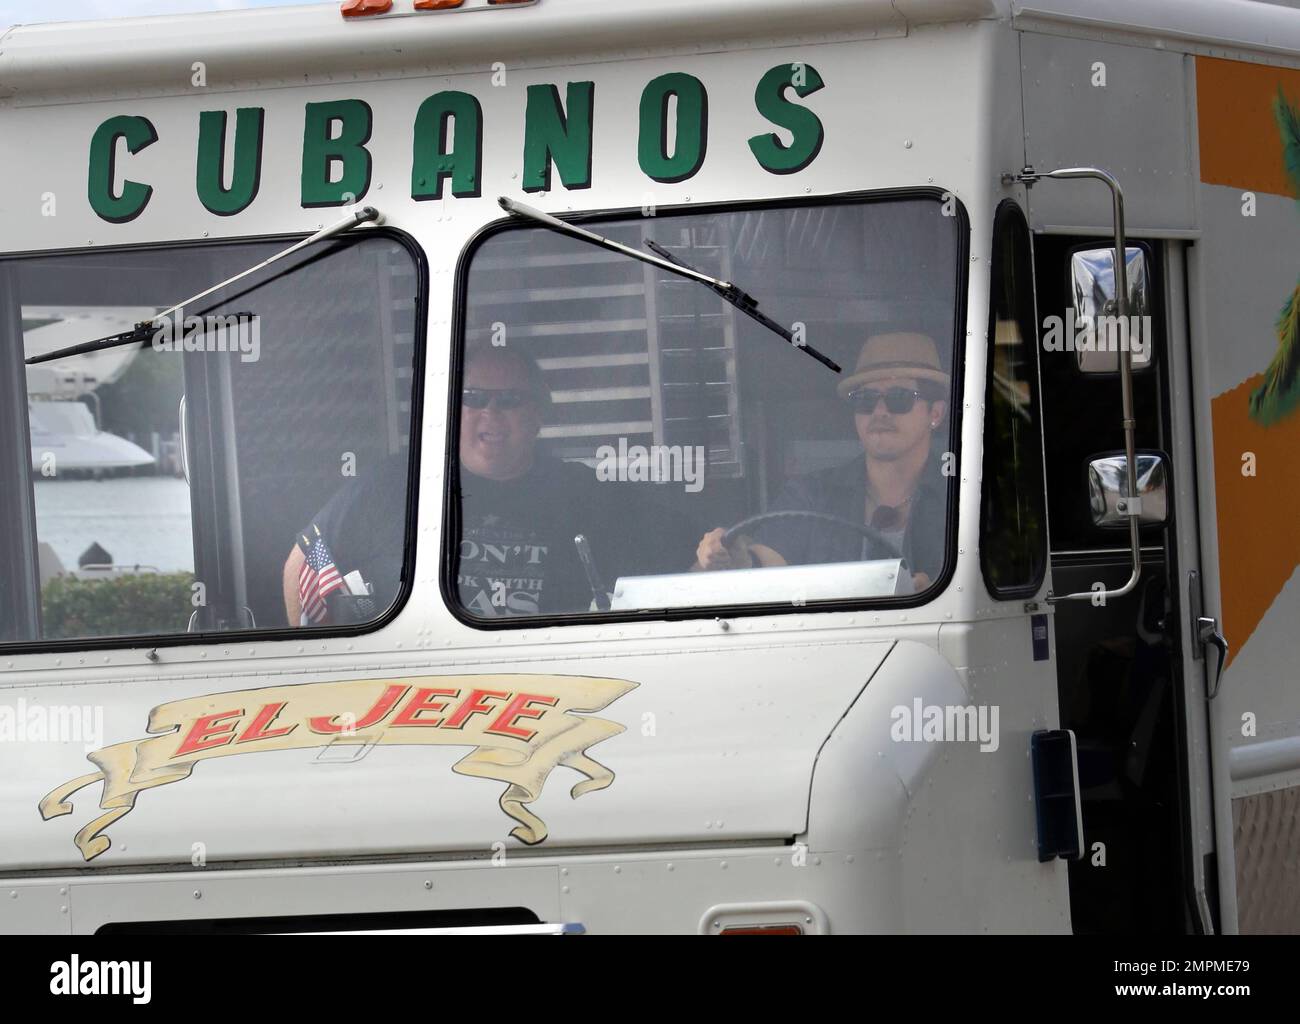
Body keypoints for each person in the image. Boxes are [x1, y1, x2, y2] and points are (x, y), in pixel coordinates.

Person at [283, 343, 690, 624]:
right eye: (474, 398)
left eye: (510, 400)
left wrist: (719, 556)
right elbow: (305, 558)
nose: (490, 413)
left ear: (537, 415)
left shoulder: (587, 495)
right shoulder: (392, 485)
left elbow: (691, 557)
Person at [692, 332, 949, 591]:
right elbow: (766, 562)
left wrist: (940, 593)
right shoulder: (812, 495)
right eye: (866, 400)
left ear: (935, 414)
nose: (880, 411)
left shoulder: (966, 497)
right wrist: (732, 557)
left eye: (899, 399)